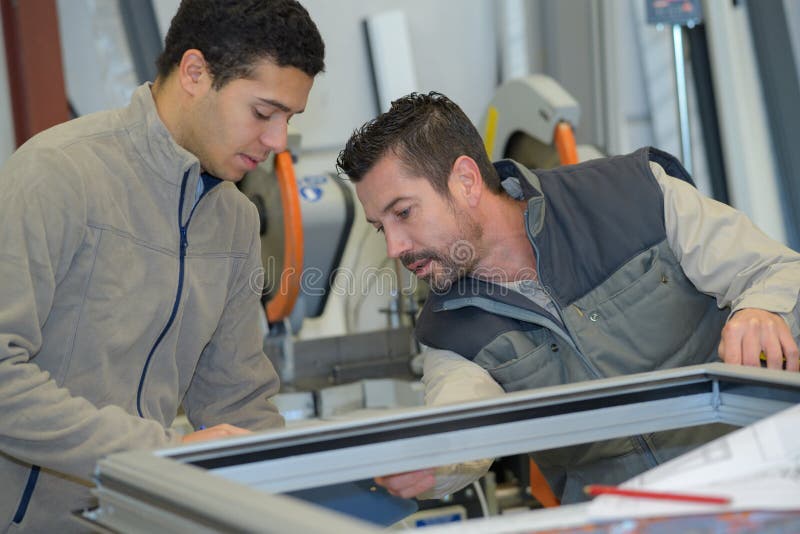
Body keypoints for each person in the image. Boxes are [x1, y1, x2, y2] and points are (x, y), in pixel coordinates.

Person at [336, 91, 800, 504]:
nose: (394, 247)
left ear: (466, 181)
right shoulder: (449, 331)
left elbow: (777, 270)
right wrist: (427, 462)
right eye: (380, 227)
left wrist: (761, 308)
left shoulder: (635, 195)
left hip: (766, 489)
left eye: (403, 213)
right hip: (624, 520)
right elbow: (458, 430)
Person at [0, 0, 324, 530]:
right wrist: (159, 453)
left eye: (289, 119)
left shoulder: (235, 220)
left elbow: (236, 401)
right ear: (195, 73)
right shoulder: (57, 175)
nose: (277, 141)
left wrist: (299, 502)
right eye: (263, 113)